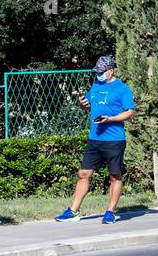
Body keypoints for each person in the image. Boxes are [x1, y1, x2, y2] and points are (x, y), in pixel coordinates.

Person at [55, 55, 135, 225]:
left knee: (115, 176)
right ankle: (73, 211)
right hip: (95, 138)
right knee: (83, 174)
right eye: (96, 72)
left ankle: (110, 211)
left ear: (110, 71)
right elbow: (90, 105)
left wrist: (111, 119)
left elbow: (130, 112)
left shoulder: (123, 89)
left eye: (101, 72)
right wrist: (83, 103)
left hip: (114, 140)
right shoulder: (96, 85)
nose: (98, 74)